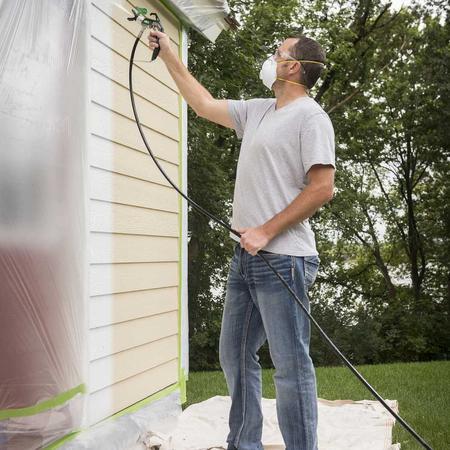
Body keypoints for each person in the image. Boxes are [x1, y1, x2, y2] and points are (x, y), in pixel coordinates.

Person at [148, 29, 335, 450]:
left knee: (290, 367)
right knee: (233, 356)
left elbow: (323, 187)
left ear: (292, 68)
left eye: (278, 52)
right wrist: (171, 55)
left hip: (284, 260)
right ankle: (243, 444)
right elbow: (202, 104)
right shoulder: (258, 111)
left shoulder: (311, 118)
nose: (271, 57)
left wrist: (266, 230)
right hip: (246, 258)